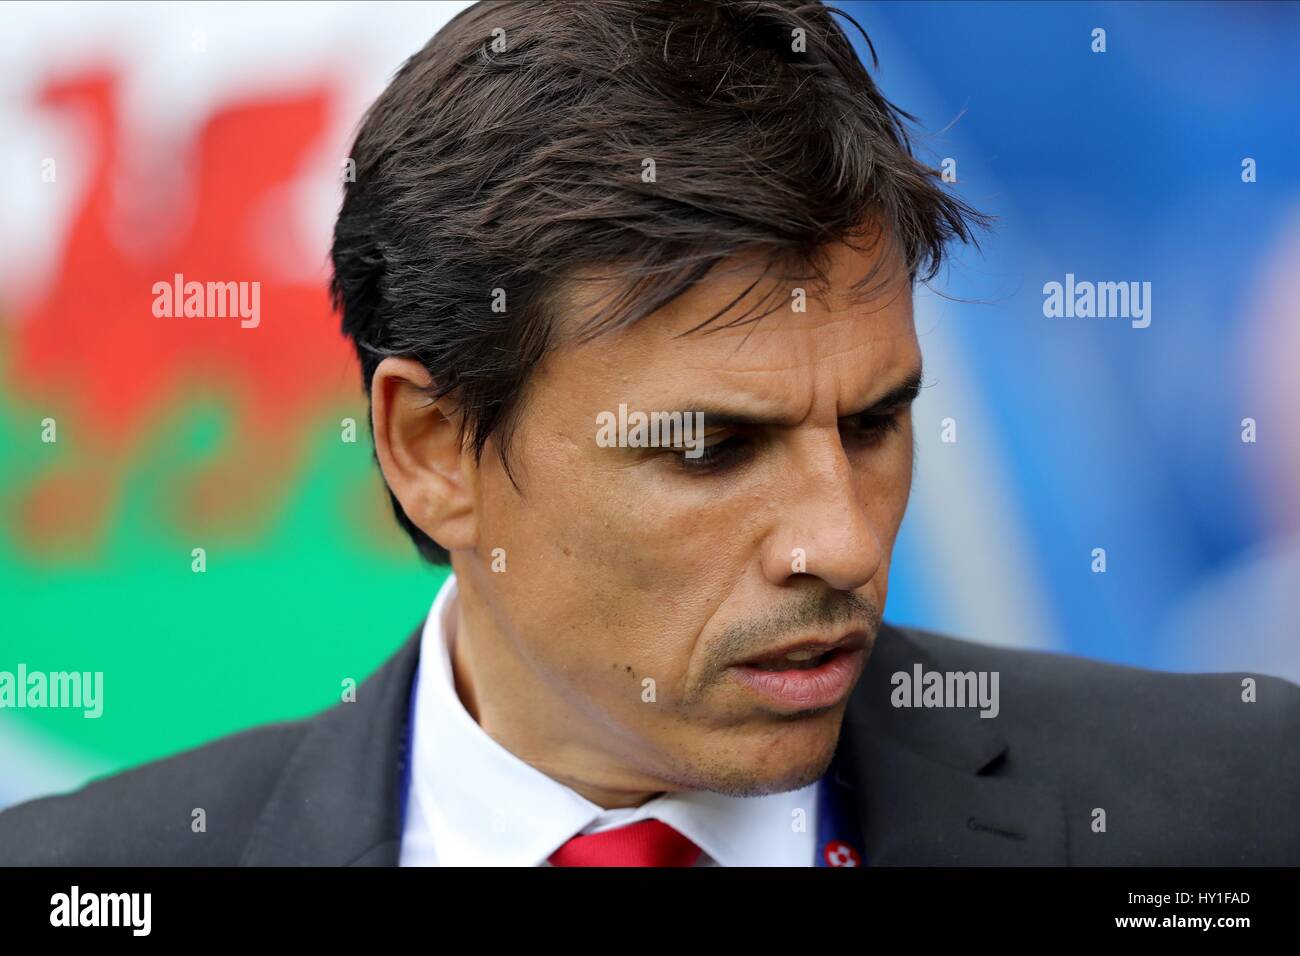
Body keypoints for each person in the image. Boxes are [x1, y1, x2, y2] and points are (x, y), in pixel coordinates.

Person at [2, 0, 1296, 866]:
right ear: (432, 449)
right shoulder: (84, 874)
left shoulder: (1232, 810)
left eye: (876, 423)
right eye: (709, 448)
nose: (839, 540)